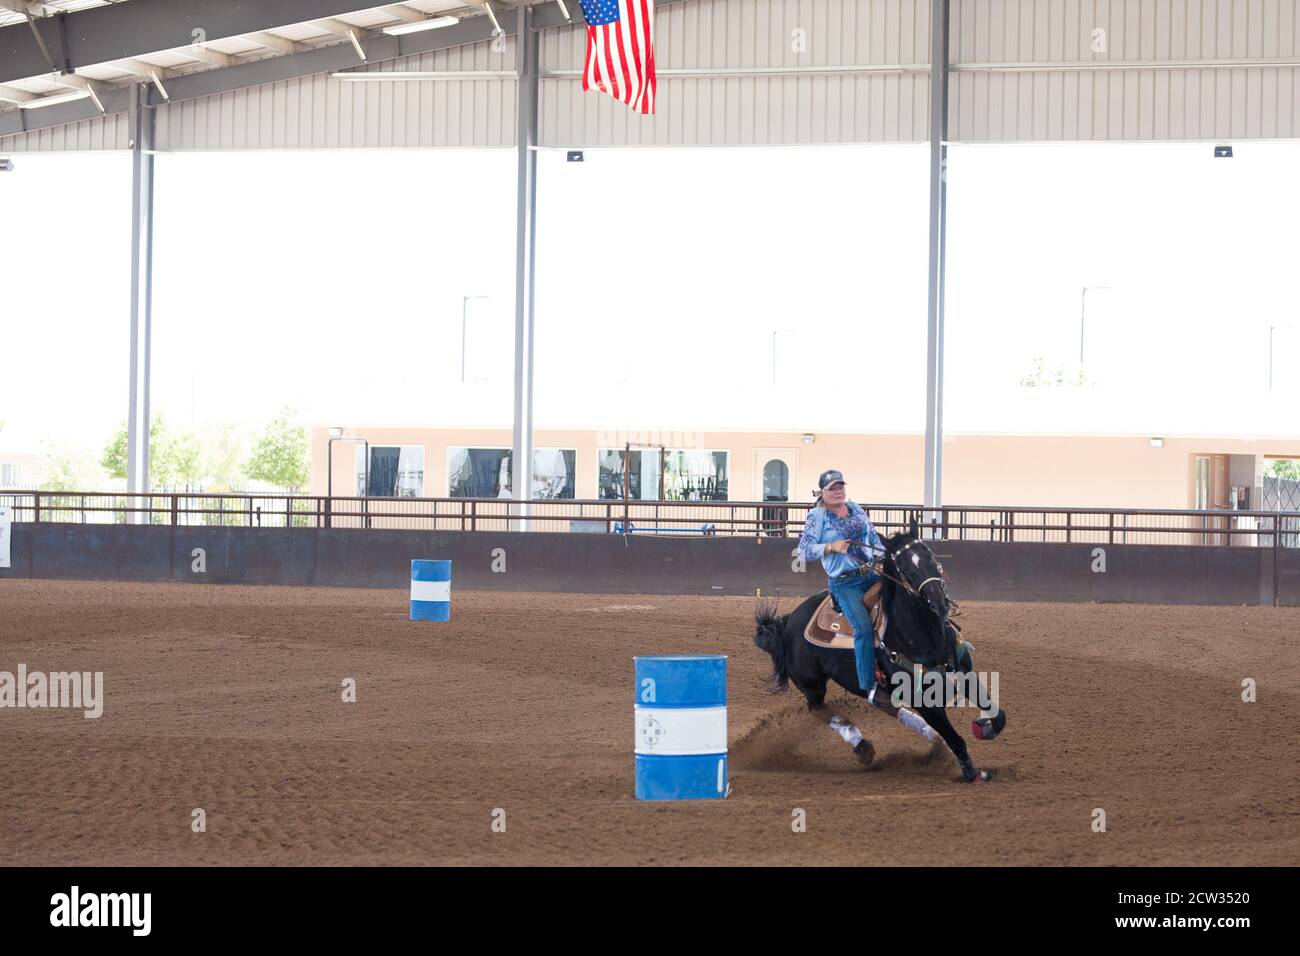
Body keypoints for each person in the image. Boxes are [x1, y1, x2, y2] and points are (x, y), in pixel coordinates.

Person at [798, 469, 886, 694]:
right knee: (863, 628)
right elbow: (804, 550)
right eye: (832, 488)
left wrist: (883, 556)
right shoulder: (817, 517)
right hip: (845, 584)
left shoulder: (856, 508)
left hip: (870, 573)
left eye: (840, 487)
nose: (838, 492)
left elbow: (873, 537)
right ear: (822, 492)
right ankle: (869, 686)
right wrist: (830, 547)